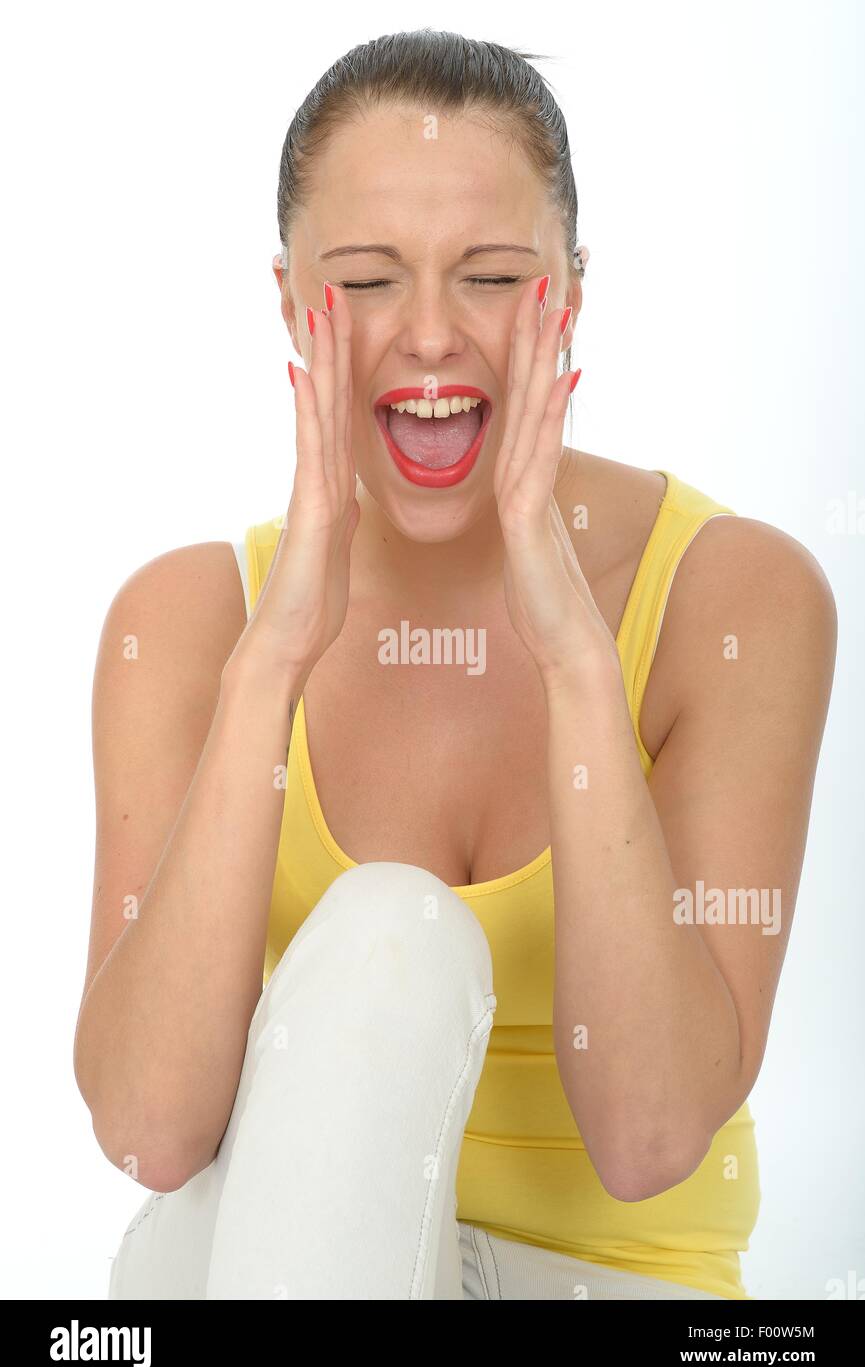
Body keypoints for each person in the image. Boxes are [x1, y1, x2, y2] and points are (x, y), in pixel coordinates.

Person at [73, 30, 837, 1301]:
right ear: (288, 302)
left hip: (598, 1287)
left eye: (488, 276)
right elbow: (152, 1130)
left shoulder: (737, 597)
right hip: (262, 1259)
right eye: (366, 281)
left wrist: (574, 664)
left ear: (569, 294)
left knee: (394, 930)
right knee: (383, 940)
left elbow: (650, 1136)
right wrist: (271, 666)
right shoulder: (194, 621)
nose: (428, 338)